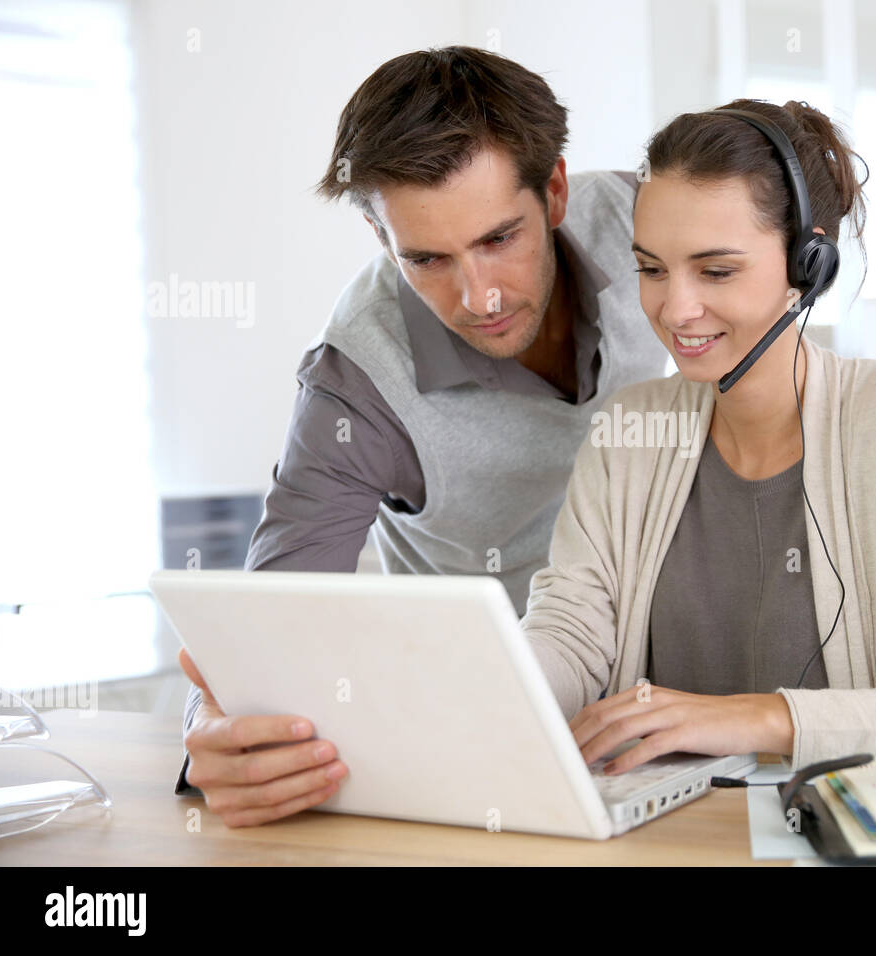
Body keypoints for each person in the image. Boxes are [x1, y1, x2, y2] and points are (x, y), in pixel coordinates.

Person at [174, 47, 669, 826]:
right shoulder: (356, 382)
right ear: (380, 236)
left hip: (690, 707)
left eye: (500, 238)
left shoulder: (651, 227)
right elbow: (273, 626)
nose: (480, 296)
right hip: (497, 748)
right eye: (427, 259)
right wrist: (212, 731)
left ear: (557, 191)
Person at [520, 98, 876, 774]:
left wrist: (757, 718)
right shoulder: (630, 432)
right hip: (670, 836)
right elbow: (569, 632)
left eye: (716, 271)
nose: (675, 308)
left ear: (810, 265)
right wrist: (485, 696)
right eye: (652, 269)